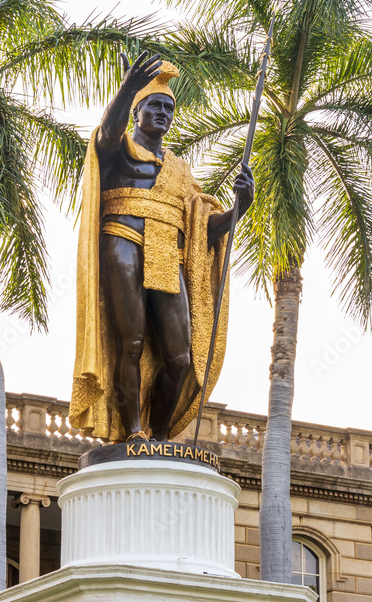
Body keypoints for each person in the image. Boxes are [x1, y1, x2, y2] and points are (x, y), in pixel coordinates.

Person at [69, 52, 254, 442]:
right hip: (122, 241)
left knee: (180, 357)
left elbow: (204, 228)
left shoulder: (179, 170)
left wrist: (240, 207)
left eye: (169, 109)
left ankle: (159, 435)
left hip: (167, 253)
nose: (163, 113)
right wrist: (128, 88)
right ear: (136, 111)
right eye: (154, 105)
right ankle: (134, 432)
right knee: (130, 342)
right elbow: (107, 130)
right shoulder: (119, 148)